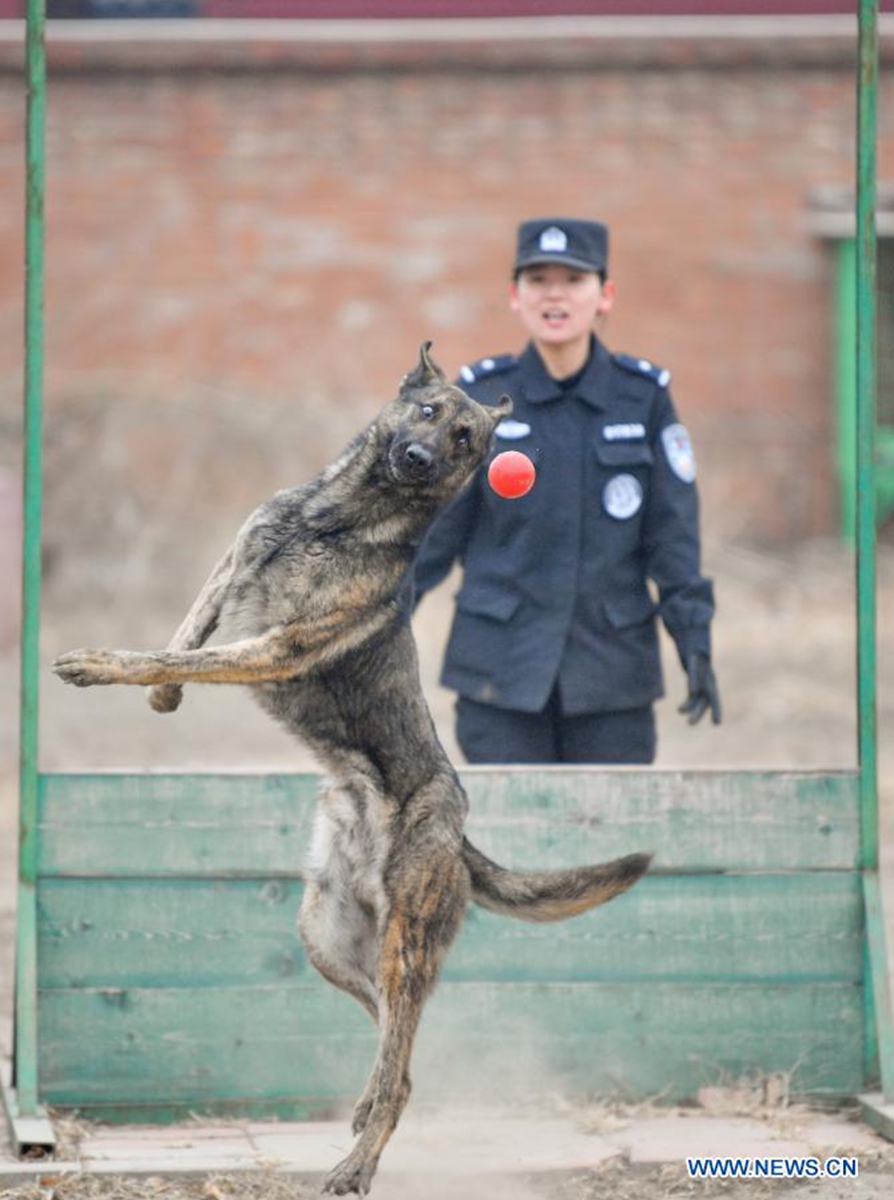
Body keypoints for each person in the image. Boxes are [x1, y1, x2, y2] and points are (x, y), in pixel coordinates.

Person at [411, 216, 721, 764]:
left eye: (573, 280)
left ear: (604, 295)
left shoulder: (641, 398)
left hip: (611, 676)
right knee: (508, 844)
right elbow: (433, 537)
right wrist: (373, 622)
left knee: (610, 842)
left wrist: (693, 639)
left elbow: (672, 539)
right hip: (498, 675)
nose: (554, 294)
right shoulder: (480, 400)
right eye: (537, 279)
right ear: (515, 296)